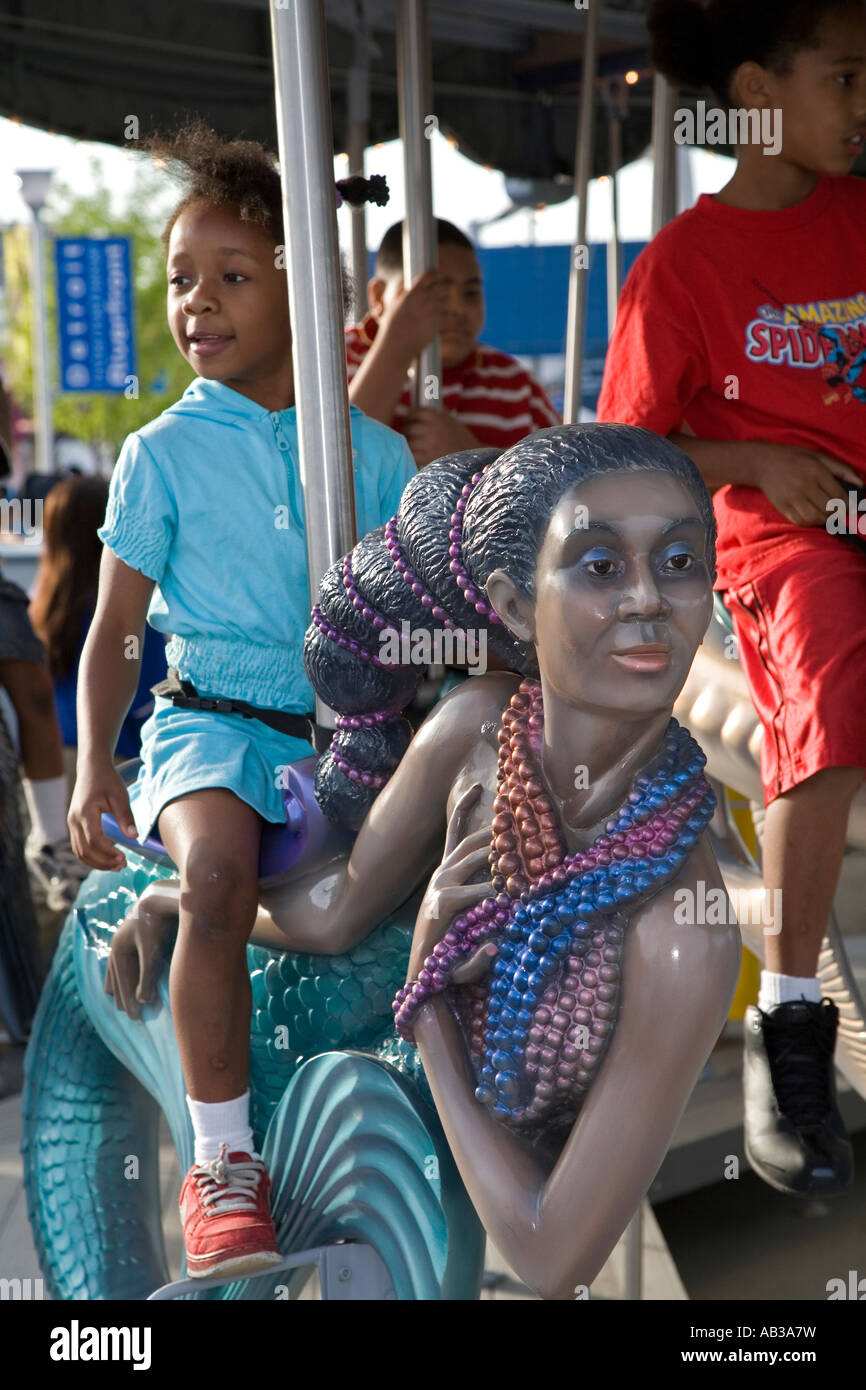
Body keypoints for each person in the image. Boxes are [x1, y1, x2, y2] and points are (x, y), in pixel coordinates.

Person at [106, 423, 741, 1298]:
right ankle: (219, 1171)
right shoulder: (477, 728)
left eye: (678, 562)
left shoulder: (680, 930)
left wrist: (431, 1012)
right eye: (600, 565)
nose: (647, 600)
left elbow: (554, 1256)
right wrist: (191, 902)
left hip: (446, 1154)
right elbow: (335, 911)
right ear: (514, 606)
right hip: (352, 1101)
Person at [67, 122, 416, 1281]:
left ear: (304, 291)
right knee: (220, 867)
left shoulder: (371, 452)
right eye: (180, 280)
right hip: (210, 722)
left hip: (338, 735)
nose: (196, 303)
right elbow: (116, 628)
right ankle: (223, 1166)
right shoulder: (159, 452)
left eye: (231, 277)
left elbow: (408, 612)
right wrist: (89, 764)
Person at [596, 0, 866, 1195]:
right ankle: (790, 1019)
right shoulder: (680, 270)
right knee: (831, 648)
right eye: (845, 79)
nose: (864, 107)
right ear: (756, 89)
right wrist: (752, 462)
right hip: (779, 548)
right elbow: (618, 452)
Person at [346, 219, 560, 467]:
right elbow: (333, 463)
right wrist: (395, 347)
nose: (457, 309)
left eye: (471, 293)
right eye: (436, 292)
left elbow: (561, 483)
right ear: (379, 297)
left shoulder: (518, 387)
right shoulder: (336, 358)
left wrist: (476, 457)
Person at [29, 475, 168, 770]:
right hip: (113, 764)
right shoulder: (127, 619)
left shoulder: (37, 613)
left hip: (44, 762)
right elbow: (149, 696)